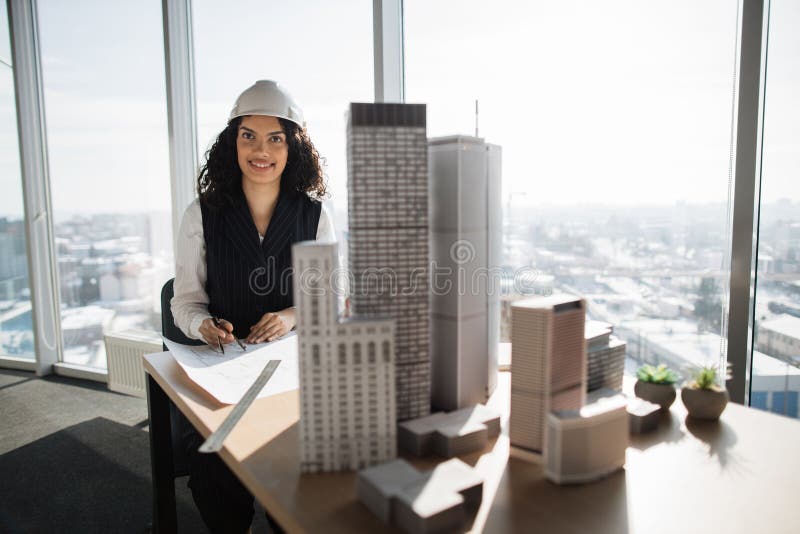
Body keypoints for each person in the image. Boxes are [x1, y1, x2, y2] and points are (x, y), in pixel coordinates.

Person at [171, 80, 335, 533]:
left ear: (293, 147)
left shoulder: (315, 214)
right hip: (221, 365)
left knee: (303, 458)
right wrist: (204, 325)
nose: (261, 150)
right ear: (232, 143)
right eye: (249, 136)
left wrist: (291, 316)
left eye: (275, 138)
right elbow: (184, 301)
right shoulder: (200, 214)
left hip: (294, 367)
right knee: (215, 464)